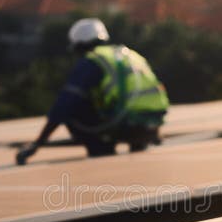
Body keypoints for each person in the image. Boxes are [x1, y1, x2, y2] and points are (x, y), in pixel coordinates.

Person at [16, 18, 169, 165]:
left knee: (73, 108)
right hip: (153, 122)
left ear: (80, 45)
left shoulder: (93, 61)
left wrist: (38, 143)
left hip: (127, 124)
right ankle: (139, 142)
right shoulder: (129, 54)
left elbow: (64, 105)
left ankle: (101, 147)